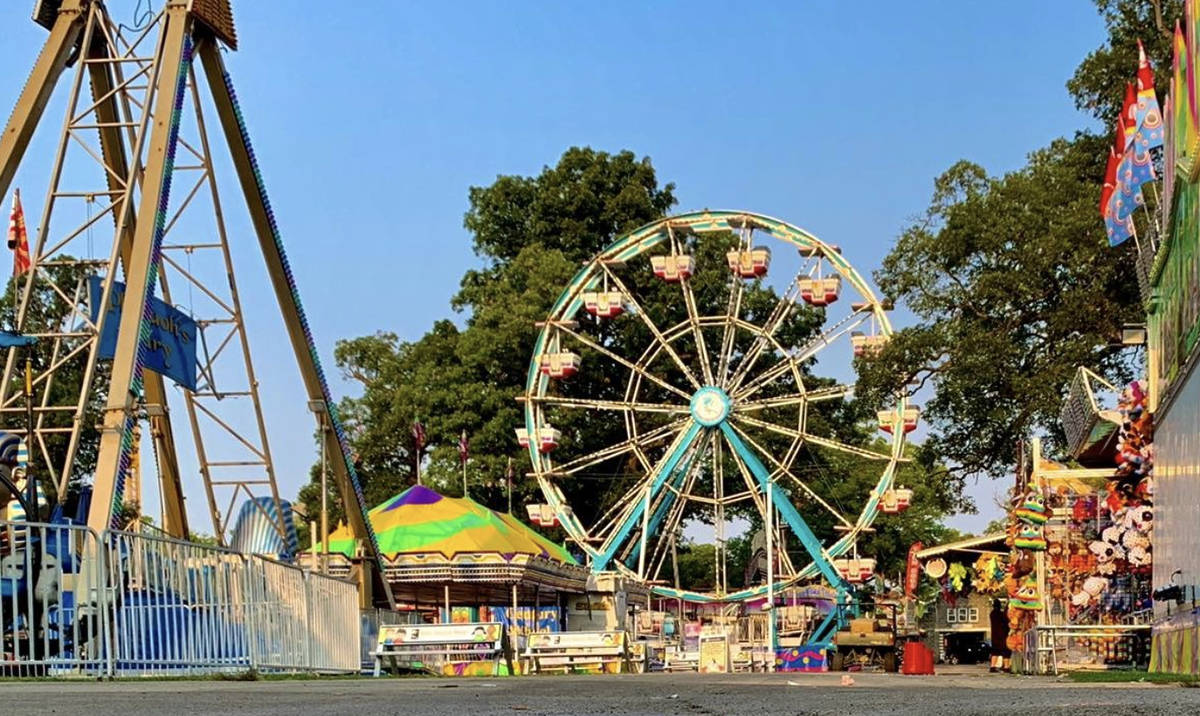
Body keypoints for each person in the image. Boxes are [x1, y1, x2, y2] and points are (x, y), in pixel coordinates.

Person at [988, 599, 1011, 672]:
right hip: (1002, 635)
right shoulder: (1000, 614)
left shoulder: (992, 613)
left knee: (995, 651)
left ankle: (992, 666)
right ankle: (1006, 667)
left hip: (994, 635)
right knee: (1006, 651)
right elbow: (1006, 620)